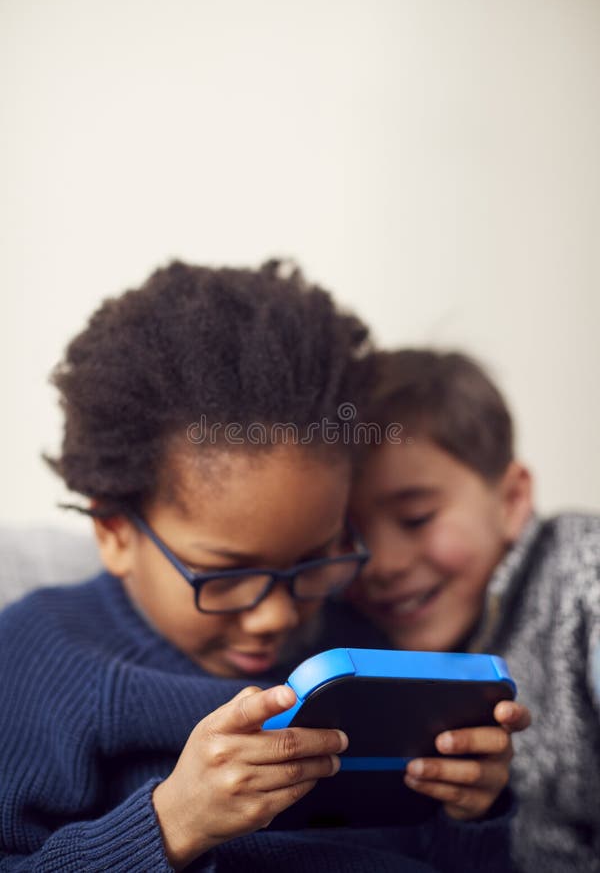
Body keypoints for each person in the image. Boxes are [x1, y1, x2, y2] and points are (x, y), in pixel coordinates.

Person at [0, 266, 520, 873]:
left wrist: (470, 812)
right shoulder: (46, 652)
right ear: (115, 532)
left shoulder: (359, 648)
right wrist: (172, 823)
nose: (275, 617)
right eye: (224, 575)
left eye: (314, 561)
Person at [347, 348, 600, 873]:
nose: (380, 565)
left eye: (416, 518)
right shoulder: (350, 635)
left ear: (511, 499)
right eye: (347, 538)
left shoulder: (583, 573)